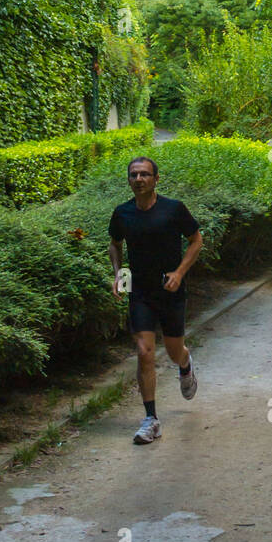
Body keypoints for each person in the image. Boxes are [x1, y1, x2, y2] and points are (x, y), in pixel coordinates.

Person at [108, 155, 203, 445]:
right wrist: (118, 273)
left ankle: (185, 364)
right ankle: (151, 419)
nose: (139, 180)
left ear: (156, 179)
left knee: (174, 351)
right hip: (141, 292)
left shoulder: (173, 209)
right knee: (144, 351)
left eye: (145, 175)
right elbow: (115, 242)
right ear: (129, 180)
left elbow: (196, 240)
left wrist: (179, 272)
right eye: (134, 175)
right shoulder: (122, 213)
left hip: (170, 290)